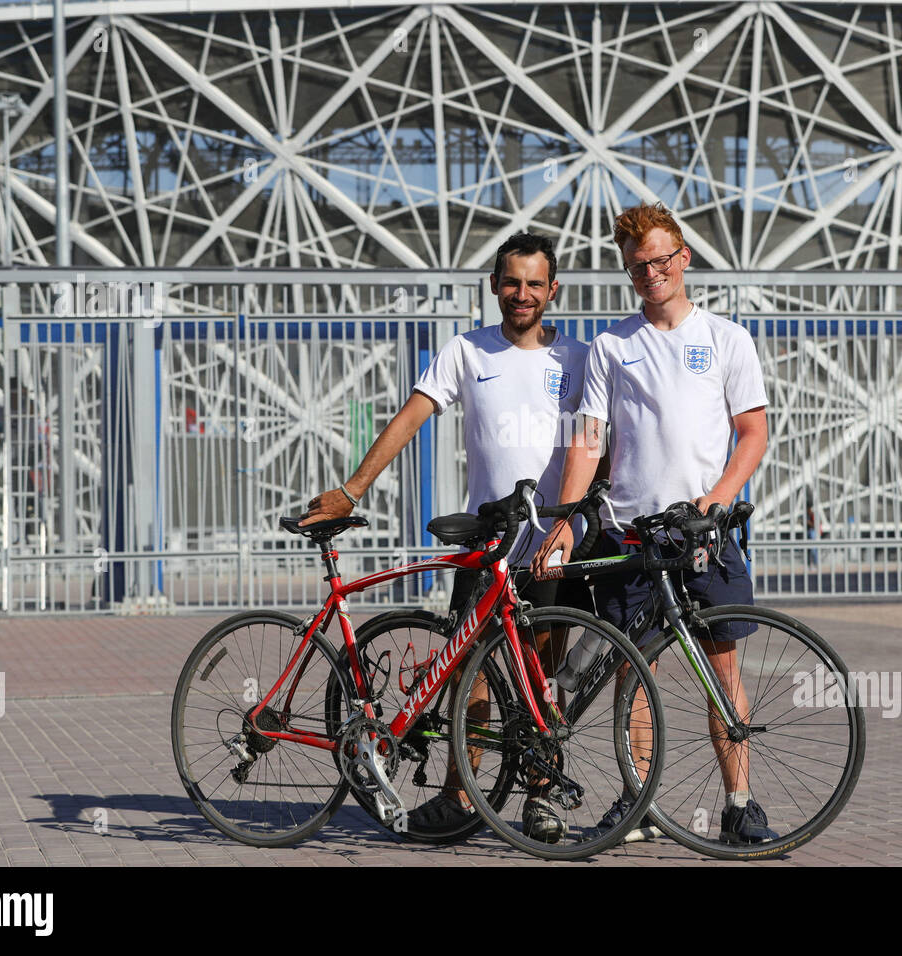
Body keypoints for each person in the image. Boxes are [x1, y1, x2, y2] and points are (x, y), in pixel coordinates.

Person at [300, 232, 590, 842]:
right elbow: (411, 416)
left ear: (553, 290)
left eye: (535, 284)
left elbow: (606, 437)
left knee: (546, 672)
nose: (522, 294)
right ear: (494, 285)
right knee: (466, 673)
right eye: (511, 282)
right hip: (487, 542)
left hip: (552, 543)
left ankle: (539, 800)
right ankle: (460, 794)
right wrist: (353, 489)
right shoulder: (466, 351)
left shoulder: (581, 359)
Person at [533, 202, 774, 845]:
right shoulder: (613, 346)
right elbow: (588, 437)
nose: (651, 273)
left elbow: (753, 433)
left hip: (702, 537)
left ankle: (740, 804)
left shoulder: (726, 339)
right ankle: (636, 803)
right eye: (638, 266)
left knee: (721, 670)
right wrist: (564, 520)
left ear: (684, 258)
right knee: (633, 672)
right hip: (630, 535)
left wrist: (716, 500)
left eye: (661, 260)